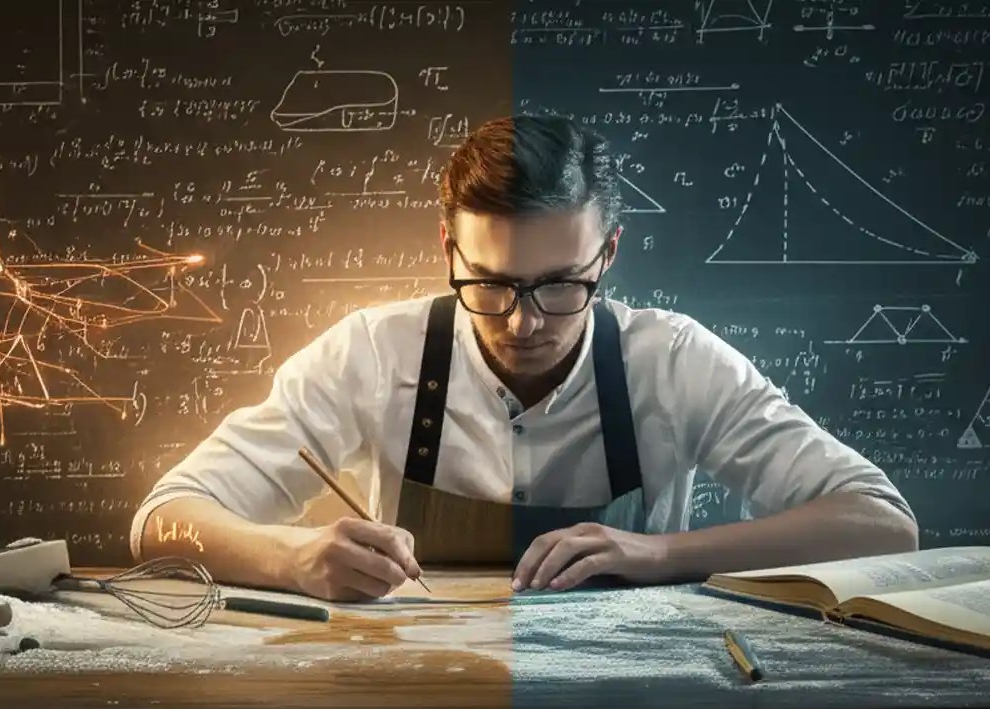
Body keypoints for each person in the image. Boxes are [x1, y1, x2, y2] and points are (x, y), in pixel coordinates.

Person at [129, 114, 918, 602]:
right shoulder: (372, 352)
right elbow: (162, 522)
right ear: (448, 247)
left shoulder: (674, 359)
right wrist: (294, 555)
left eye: (558, 286)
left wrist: (658, 554)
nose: (523, 320)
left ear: (608, 254)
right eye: (491, 285)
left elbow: (883, 525)